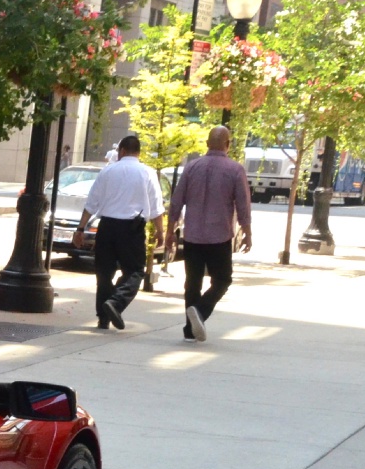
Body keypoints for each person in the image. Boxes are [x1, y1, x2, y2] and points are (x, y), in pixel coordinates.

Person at [165, 125, 252, 341]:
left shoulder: (192, 167)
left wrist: (169, 230)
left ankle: (189, 329)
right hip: (219, 235)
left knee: (192, 282)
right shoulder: (235, 170)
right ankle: (201, 312)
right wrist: (247, 231)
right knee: (222, 280)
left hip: (193, 234)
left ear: (206, 144)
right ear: (228, 144)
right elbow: (243, 205)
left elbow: (176, 201)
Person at [76, 133, 164, 330]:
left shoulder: (108, 172)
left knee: (104, 273)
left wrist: (81, 228)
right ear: (138, 152)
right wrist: (160, 231)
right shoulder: (147, 172)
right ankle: (115, 302)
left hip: (107, 226)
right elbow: (157, 206)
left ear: (122, 151)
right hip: (132, 228)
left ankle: (103, 317)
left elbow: (91, 202)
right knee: (134, 271)